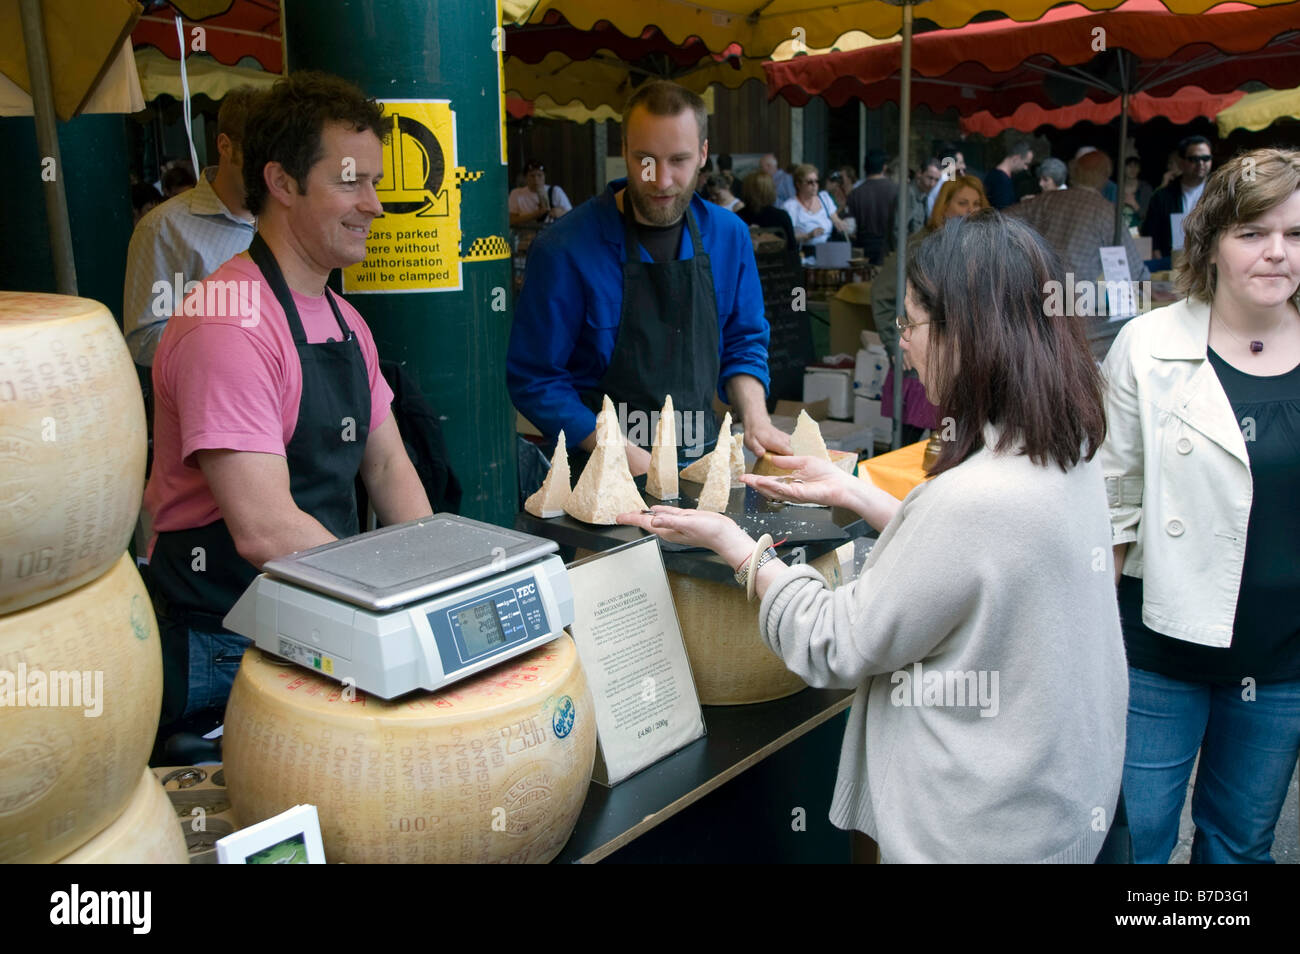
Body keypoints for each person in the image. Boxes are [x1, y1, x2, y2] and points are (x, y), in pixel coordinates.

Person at [620, 212, 1127, 863]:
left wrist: (736, 546)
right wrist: (853, 491)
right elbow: (978, 565)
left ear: (969, 334)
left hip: (970, 830)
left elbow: (835, 640)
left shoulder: (974, 498)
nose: (904, 346)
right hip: (1047, 807)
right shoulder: (1065, 451)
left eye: (911, 324)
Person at [143, 71, 433, 733]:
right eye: (352, 181)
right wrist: (389, 608)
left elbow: (388, 470)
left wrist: (430, 582)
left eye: (376, 183)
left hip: (320, 615)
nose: (376, 205)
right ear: (281, 183)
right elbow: (264, 529)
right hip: (227, 643)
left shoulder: (343, 319)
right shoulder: (228, 323)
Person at [1100, 148, 1300, 863]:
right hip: (1158, 650)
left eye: (1296, 234)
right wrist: (1092, 651)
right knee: (1135, 843)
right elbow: (1111, 503)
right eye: (1253, 233)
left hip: (1282, 662)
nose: (1277, 252)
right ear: (1212, 241)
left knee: (1241, 845)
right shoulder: (1146, 347)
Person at [507, 81, 790, 477]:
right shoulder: (563, 248)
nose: (661, 180)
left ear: (703, 154)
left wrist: (757, 418)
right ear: (623, 149)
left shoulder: (729, 235)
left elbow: (744, 342)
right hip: (600, 475)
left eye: (679, 160)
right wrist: (617, 449)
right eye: (645, 159)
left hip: (701, 468)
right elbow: (534, 377)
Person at [123, 87, 260, 369]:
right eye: (259, 154)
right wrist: (239, 345)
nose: (271, 170)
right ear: (225, 146)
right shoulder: (164, 228)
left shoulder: (285, 216)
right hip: (213, 403)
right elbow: (145, 339)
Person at [873, 175, 987, 442]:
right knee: (906, 448)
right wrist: (898, 344)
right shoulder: (918, 246)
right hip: (918, 362)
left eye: (976, 203)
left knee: (954, 446)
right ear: (944, 207)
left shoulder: (981, 249)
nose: (971, 209)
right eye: (962, 203)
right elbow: (882, 295)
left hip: (962, 366)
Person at [1006, 149, 1148, 289]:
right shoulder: (1105, 211)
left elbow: (1003, 218)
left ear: (1075, 172)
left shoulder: (1047, 199)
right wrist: (1147, 285)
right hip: (1079, 298)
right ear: (1105, 177)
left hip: (1039, 290)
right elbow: (1130, 264)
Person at [1141, 135, 1213, 258]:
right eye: (1194, 159)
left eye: (1206, 158)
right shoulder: (1161, 197)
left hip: (1208, 263)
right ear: (1181, 162)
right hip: (1171, 266)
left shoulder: (1219, 194)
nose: (1201, 163)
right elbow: (1151, 236)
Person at [846, 149, 898, 265]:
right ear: (884, 167)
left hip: (862, 249)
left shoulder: (855, 193)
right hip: (888, 248)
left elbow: (850, 228)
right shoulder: (896, 190)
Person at [783, 164, 851, 248]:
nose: (814, 185)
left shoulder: (824, 198)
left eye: (816, 181)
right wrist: (808, 236)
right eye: (810, 182)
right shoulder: (790, 206)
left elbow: (835, 219)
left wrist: (841, 224)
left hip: (828, 250)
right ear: (798, 184)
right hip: (805, 253)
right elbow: (787, 238)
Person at [737, 170, 796, 249]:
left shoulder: (737, 218)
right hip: (777, 260)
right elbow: (792, 249)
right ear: (771, 190)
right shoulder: (782, 217)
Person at [509, 159, 572, 228]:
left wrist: (560, 213)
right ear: (525, 177)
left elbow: (571, 214)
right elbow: (511, 220)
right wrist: (536, 214)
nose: (536, 179)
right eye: (532, 176)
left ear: (544, 176)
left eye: (539, 175)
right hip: (526, 234)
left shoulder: (555, 191)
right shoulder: (516, 193)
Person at [983, 140, 1034, 210]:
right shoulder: (1000, 180)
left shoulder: (1000, 176)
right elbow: (1004, 211)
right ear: (1016, 158)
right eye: (1026, 164)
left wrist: (1020, 201)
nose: (1026, 168)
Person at [1121, 155, 1152, 230]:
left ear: (1139, 169)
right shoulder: (1116, 188)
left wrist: (1134, 204)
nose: (1133, 169)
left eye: (1136, 167)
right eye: (1129, 166)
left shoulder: (1145, 189)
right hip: (1120, 230)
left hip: (1137, 231)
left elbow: (1148, 216)